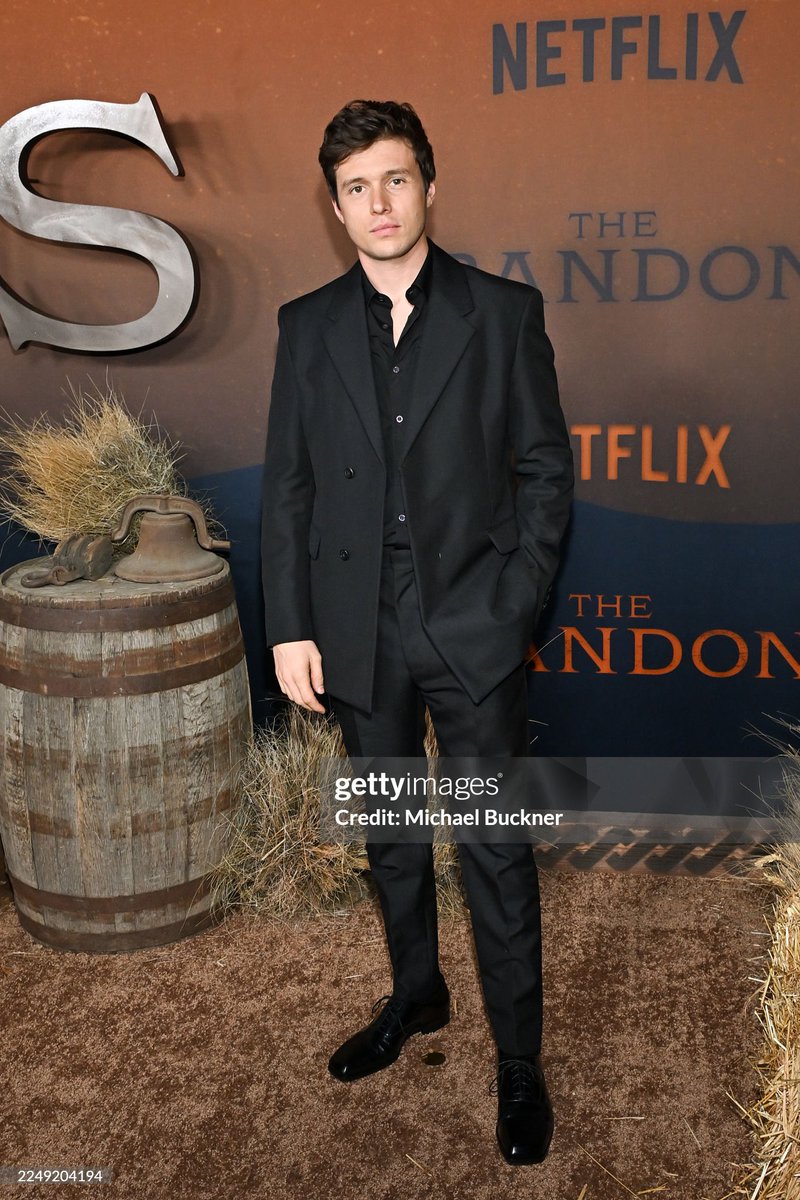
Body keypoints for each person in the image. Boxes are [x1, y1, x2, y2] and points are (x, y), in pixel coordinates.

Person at [260, 99, 574, 1166]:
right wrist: (291, 628)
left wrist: (513, 603)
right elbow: (289, 487)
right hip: (355, 627)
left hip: (471, 623)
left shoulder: (503, 313)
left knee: (493, 846)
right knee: (390, 832)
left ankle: (519, 1060)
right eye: (355, 187)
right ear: (335, 205)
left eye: (394, 179)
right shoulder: (305, 326)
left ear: (428, 187)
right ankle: (417, 993)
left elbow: (545, 473)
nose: (378, 203)